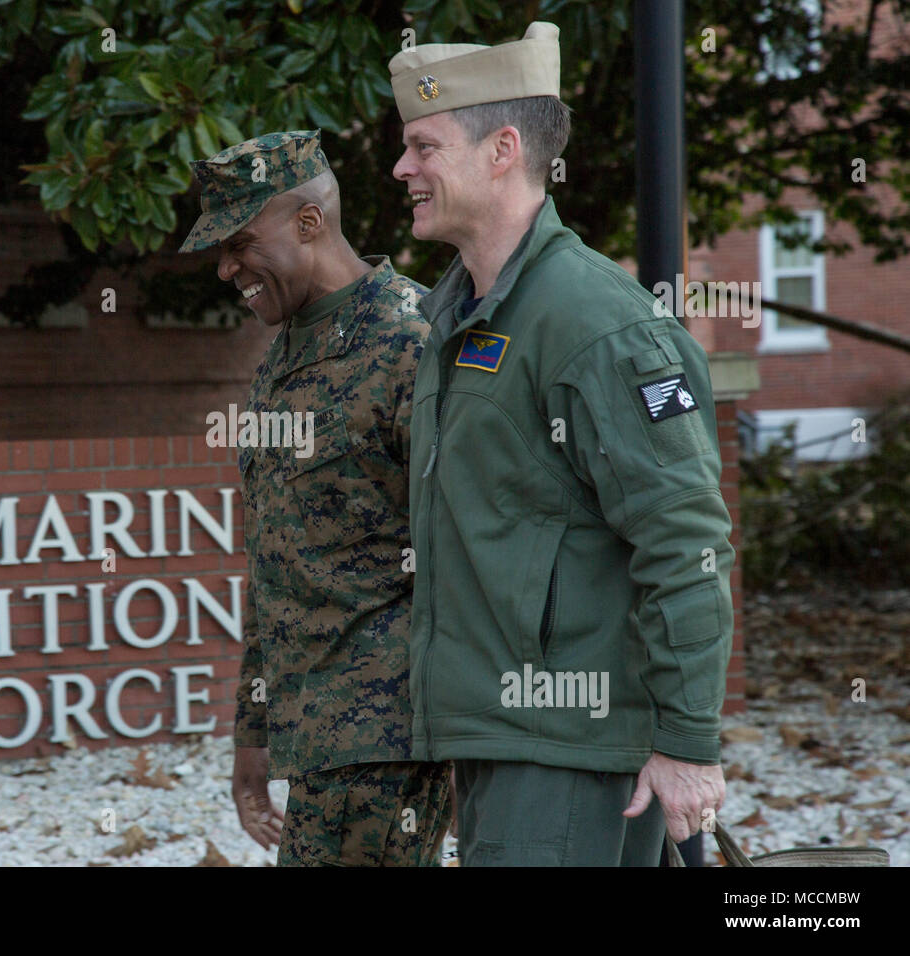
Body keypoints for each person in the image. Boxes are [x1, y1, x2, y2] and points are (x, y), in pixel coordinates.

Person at [386, 22, 734, 866]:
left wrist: (688, 742)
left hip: (571, 752)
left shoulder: (595, 324)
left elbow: (684, 538)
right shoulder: (460, 312)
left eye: (424, 147)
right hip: (510, 739)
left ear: (503, 149)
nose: (402, 169)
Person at [178, 129, 451, 866]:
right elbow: (276, 561)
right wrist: (253, 731)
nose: (227, 268)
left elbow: (471, 549)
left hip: (388, 736)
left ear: (308, 223)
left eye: (239, 242)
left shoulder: (415, 343)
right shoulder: (285, 355)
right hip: (316, 732)